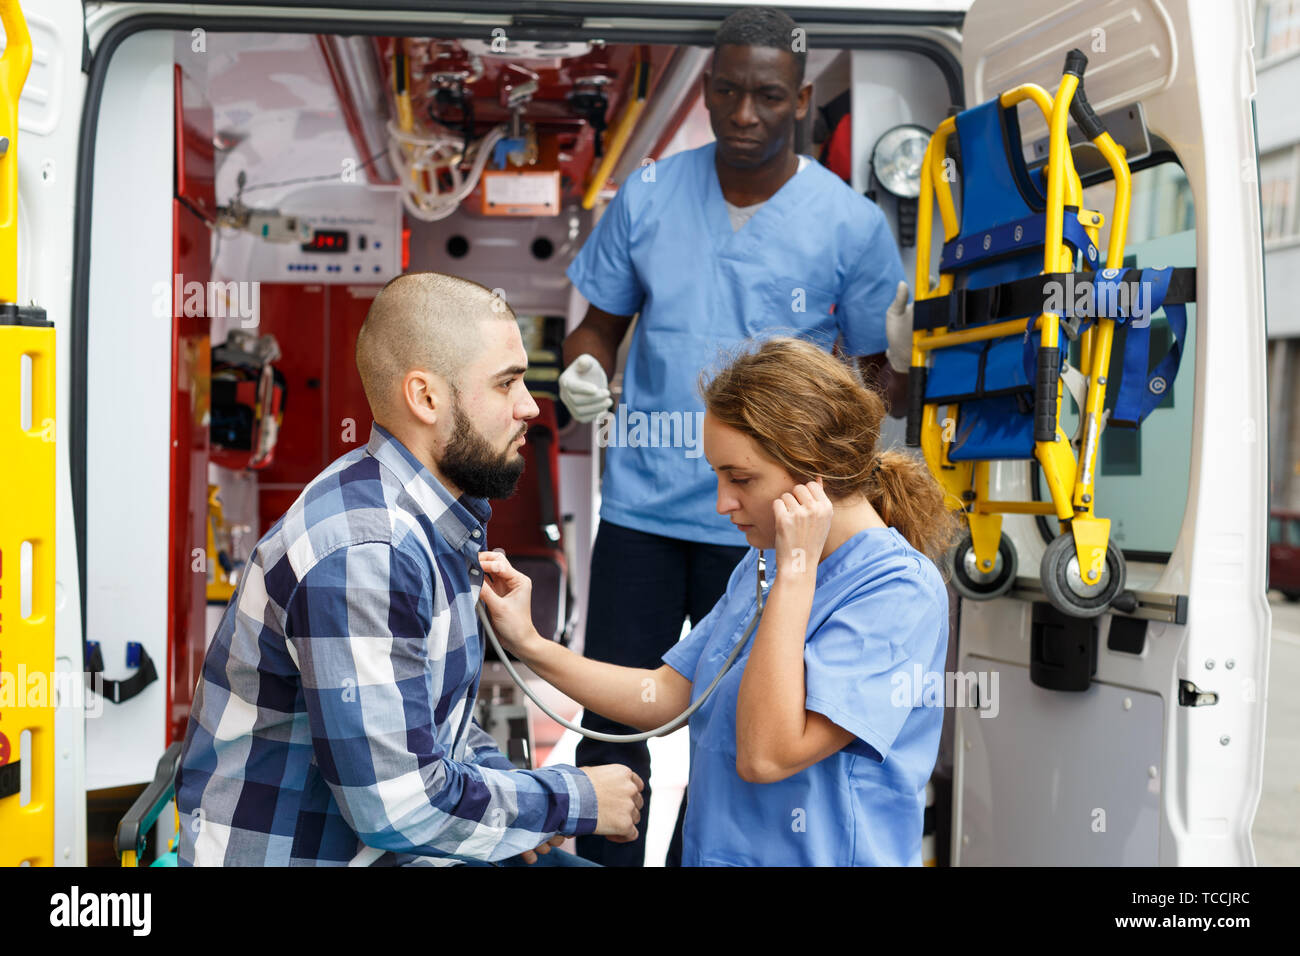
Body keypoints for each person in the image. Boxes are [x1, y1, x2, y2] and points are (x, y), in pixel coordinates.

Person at [558, 4, 913, 867]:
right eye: (726, 92)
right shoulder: (648, 196)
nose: (743, 114)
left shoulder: (851, 227)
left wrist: (905, 365)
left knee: (738, 735)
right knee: (613, 729)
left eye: (766, 96)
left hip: (767, 524)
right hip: (644, 508)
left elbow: (871, 382)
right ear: (707, 92)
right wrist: (583, 369)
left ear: (800, 101)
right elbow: (597, 327)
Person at [175, 272, 643, 866]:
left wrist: (520, 813)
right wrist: (570, 799)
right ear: (426, 398)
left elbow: (433, 727)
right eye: (507, 384)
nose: (531, 406)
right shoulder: (368, 551)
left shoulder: (428, 519)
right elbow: (395, 808)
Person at [481, 337, 960, 865]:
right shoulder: (768, 563)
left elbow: (768, 755)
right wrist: (528, 643)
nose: (722, 503)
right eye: (718, 475)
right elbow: (666, 695)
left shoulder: (895, 592)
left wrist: (795, 577)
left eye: (741, 479)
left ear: (813, 469)